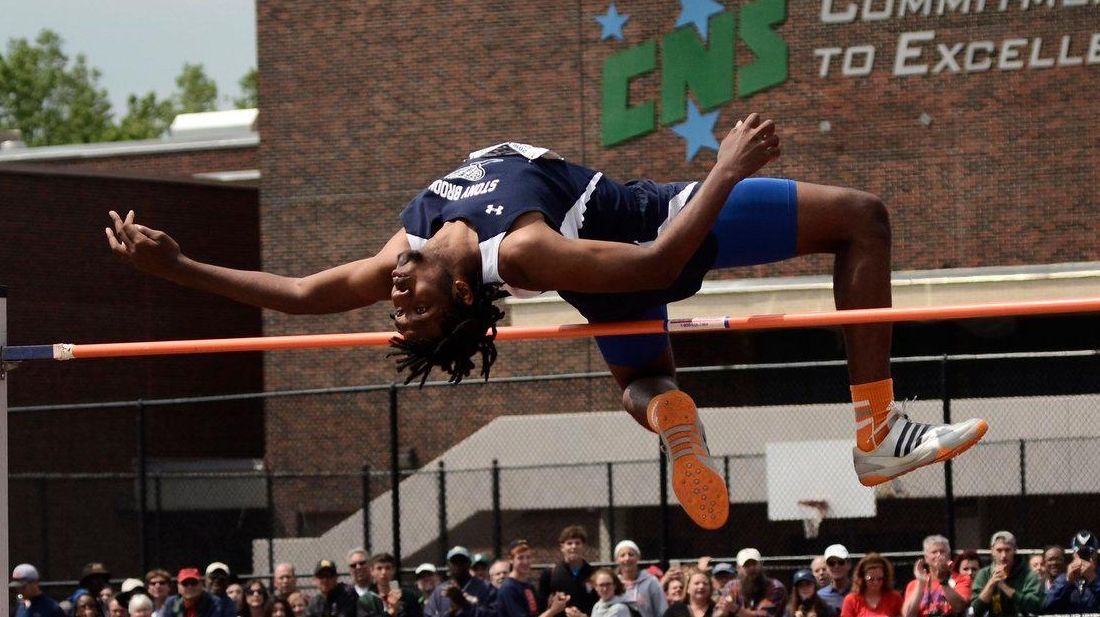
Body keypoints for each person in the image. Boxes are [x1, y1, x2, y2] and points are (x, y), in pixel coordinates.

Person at [107, 115, 990, 530]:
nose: (396, 288)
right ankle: (877, 431)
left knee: (650, 377)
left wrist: (178, 264)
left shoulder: (415, 235)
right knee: (862, 218)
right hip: (657, 230)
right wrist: (724, 169)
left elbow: (304, 292)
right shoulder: (520, 251)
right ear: (463, 296)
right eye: (413, 302)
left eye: (399, 298)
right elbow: (657, 264)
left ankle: (674, 416)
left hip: (613, 271)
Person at [969, 531, 1041, 617]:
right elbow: (975, 611)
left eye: (1007, 550)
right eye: (999, 550)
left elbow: (1035, 606)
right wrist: (991, 583)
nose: (1003, 555)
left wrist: (1005, 588)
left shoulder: (1028, 574)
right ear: (992, 551)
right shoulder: (984, 574)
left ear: (1015, 550)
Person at [902, 535, 970, 617]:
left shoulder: (961, 579)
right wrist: (921, 584)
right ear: (926, 558)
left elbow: (960, 607)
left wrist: (943, 581)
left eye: (942, 552)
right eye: (934, 552)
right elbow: (908, 614)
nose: (938, 555)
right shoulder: (914, 584)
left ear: (949, 556)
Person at [497, 540, 570, 617]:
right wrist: (553, 610)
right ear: (511, 560)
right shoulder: (509, 588)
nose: (525, 562)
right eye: (520, 558)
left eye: (528, 557)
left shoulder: (528, 586)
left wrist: (553, 604)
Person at [538, 526, 598, 616]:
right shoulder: (551, 573)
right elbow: (541, 607)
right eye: (569, 543)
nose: (574, 547)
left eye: (577, 543)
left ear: (584, 546)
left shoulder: (594, 574)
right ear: (562, 547)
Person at [1040, 530, 1100, 614]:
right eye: (1080, 553)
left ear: (1096, 554)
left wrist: (1094, 580)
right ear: (1074, 554)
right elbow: (1046, 606)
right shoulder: (1062, 579)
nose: (1084, 557)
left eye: (1088, 553)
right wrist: (1067, 581)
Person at [423, 546, 494, 617]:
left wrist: (465, 604)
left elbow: (494, 614)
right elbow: (428, 614)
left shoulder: (486, 587)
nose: (458, 565)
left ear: (469, 564)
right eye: (454, 561)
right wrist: (451, 612)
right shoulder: (440, 591)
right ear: (448, 565)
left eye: (462, 561)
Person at [721, 548, 785, 617]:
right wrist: (724, 610)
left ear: (761, 564)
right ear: (738, 568)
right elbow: (717, 612)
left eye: (754, 564)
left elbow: (764, 615)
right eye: (746, 565)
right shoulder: (731, 586)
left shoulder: (775, 587)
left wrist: (735, 609)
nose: (751, 568)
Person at [614, 541, 668, 617]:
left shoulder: (651, 582)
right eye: (622, 555)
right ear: (616, 560)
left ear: (638, 558)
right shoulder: (613, 584)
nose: (627, 558)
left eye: (631, 554)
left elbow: (662, 610)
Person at [163, 568, 235, 617]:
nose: (190, 587)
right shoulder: (171, 603)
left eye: (193, 583)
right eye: (185, 583)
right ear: (178, 587)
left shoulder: (215, 603)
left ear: (201, 585)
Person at [370, 552, 422, 617]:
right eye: (379, 568)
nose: (384, 572)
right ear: (372, 571)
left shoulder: (408, 596)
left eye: (388, 568)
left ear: (393, 570)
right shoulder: (367, 599)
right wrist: (391, 612)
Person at [661, 569, 731, 617]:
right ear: (688, 589)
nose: (701, 586)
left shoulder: (719, 610)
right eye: (696, 583)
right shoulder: (675, 610)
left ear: (710, 588)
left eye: (705, 584)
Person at [818, 546, 852, 614]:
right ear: (826, 567)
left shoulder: (860, 592)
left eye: (841, 562)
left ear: (849, 565)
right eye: (831, 563)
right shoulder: (819, 597)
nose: (836, 566)